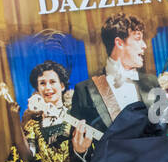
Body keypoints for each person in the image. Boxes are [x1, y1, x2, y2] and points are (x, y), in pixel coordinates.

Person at [69, 12, 162, 142]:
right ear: (119, 43)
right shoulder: (84, 90)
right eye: (137, 39)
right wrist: (79, 150)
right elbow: (73, 145)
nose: (144, 45)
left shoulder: (151, 82)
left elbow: (167, 129)